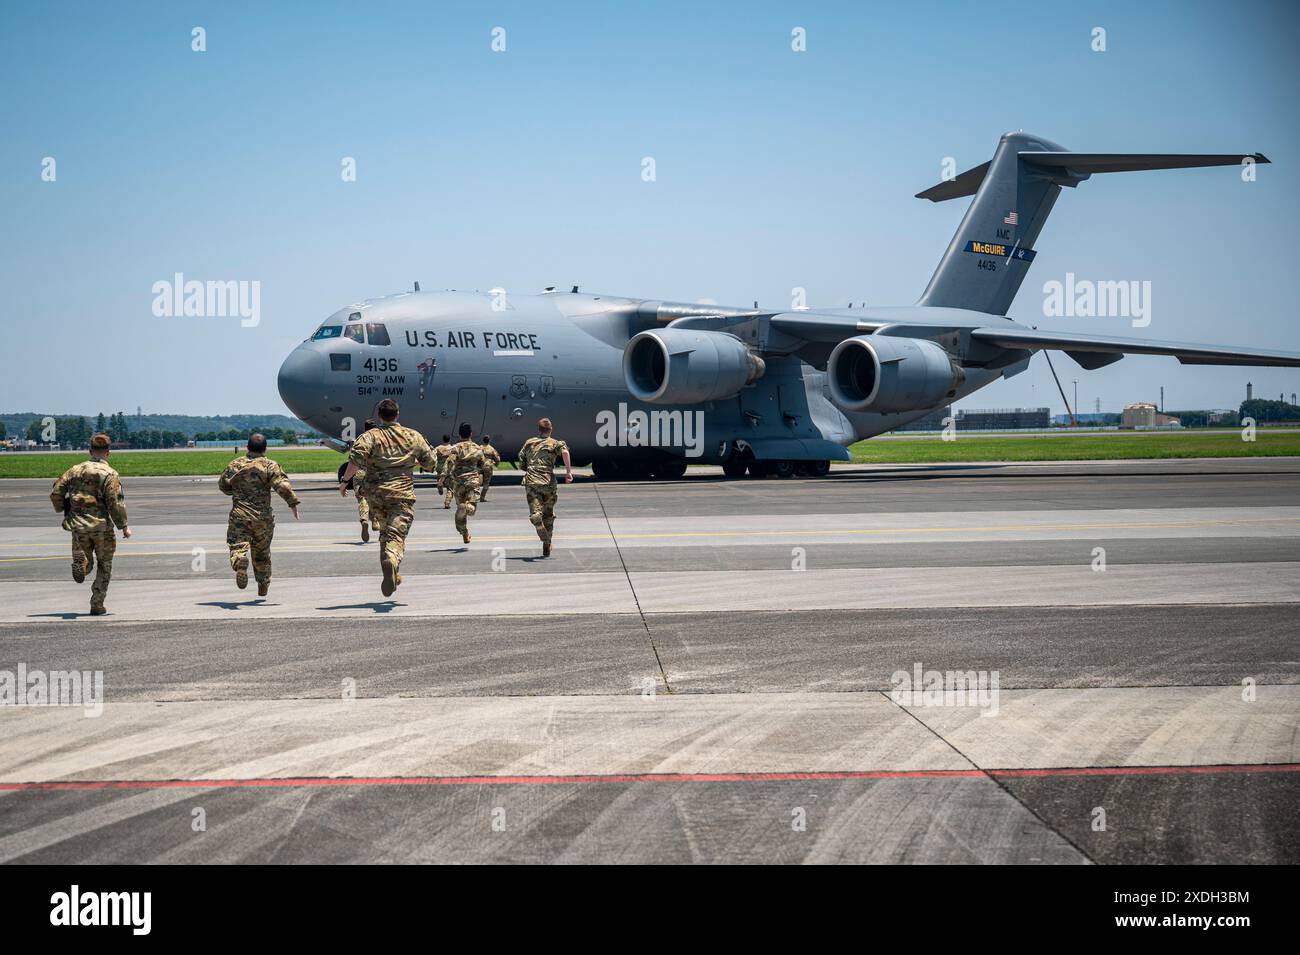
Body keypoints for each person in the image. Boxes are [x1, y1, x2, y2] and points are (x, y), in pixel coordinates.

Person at [340, 399, 437, 596]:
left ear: (379, 415)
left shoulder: (370, 437)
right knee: (397, 534)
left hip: (376, 495)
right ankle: (392, 561)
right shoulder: (413, 436)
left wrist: (344, 481)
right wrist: (415, 459)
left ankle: (394, 573)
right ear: (398, 414)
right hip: (402, 494)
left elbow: (355, 460)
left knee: (385, 532)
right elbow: (430, 464)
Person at [49, 432, 131, 615]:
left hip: (78, 526)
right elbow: (114, 502)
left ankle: (84, 564)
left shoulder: (74, 470)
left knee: (88, 563)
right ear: (108, 452)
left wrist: (63, 510)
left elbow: (56, 492)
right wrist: (123, 526)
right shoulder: (110, 474)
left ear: (89, 450)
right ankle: (97, 603)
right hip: (101, 527)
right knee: (105, 565)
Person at [219, 433, 300, 596]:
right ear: (265, 449)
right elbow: (282, 486)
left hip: (240, 515)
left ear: (247, 447)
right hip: (262, 518)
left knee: (237, 545)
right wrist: (292, 503)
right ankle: (263, 583)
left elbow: (223, 485)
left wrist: (236, 490)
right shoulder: (270, 465)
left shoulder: (235, 465)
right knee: (262, 553)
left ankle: (240, 560)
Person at [517, 417, 572, 557]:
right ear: (551, 429)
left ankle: (536, 520)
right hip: (548, 482)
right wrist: (568, 472)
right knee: (548, 514)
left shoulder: (529, 443)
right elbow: (565, 452)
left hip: (532, 481)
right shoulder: (555, 443)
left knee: (536, 513)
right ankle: (547, 543)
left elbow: (521, 461)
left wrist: (529, 467)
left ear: (538, 430)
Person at [446, 423, 486, 543]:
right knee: (471, 509)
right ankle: (467, 507)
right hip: (472, 481)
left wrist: (442, 478)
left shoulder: (455, 448)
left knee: (460, 511)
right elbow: (482, 464)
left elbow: (449, 463)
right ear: (471, 434)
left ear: (459, 435)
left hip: (458, 483)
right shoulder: (478, 448)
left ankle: (464, 533)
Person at [433, 435, 454, 509]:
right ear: (449, 439)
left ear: (443, 439)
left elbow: (432, 455)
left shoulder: (438, 448)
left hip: (440, 468)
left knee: (440, 479)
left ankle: (440, 485)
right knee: (450, 488)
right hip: (449, 468)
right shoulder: (452, 448)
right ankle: (447, 503)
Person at [478, 434, 501, 501]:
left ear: (483, 441)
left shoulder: (479, 448)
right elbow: (497, 458)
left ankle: (475, 496)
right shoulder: (491, 449)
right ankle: (482, 497)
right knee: (486, 483)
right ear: (489, 441)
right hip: (488, 466)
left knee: (477, 482)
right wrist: (495, 464)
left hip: (479, 466)